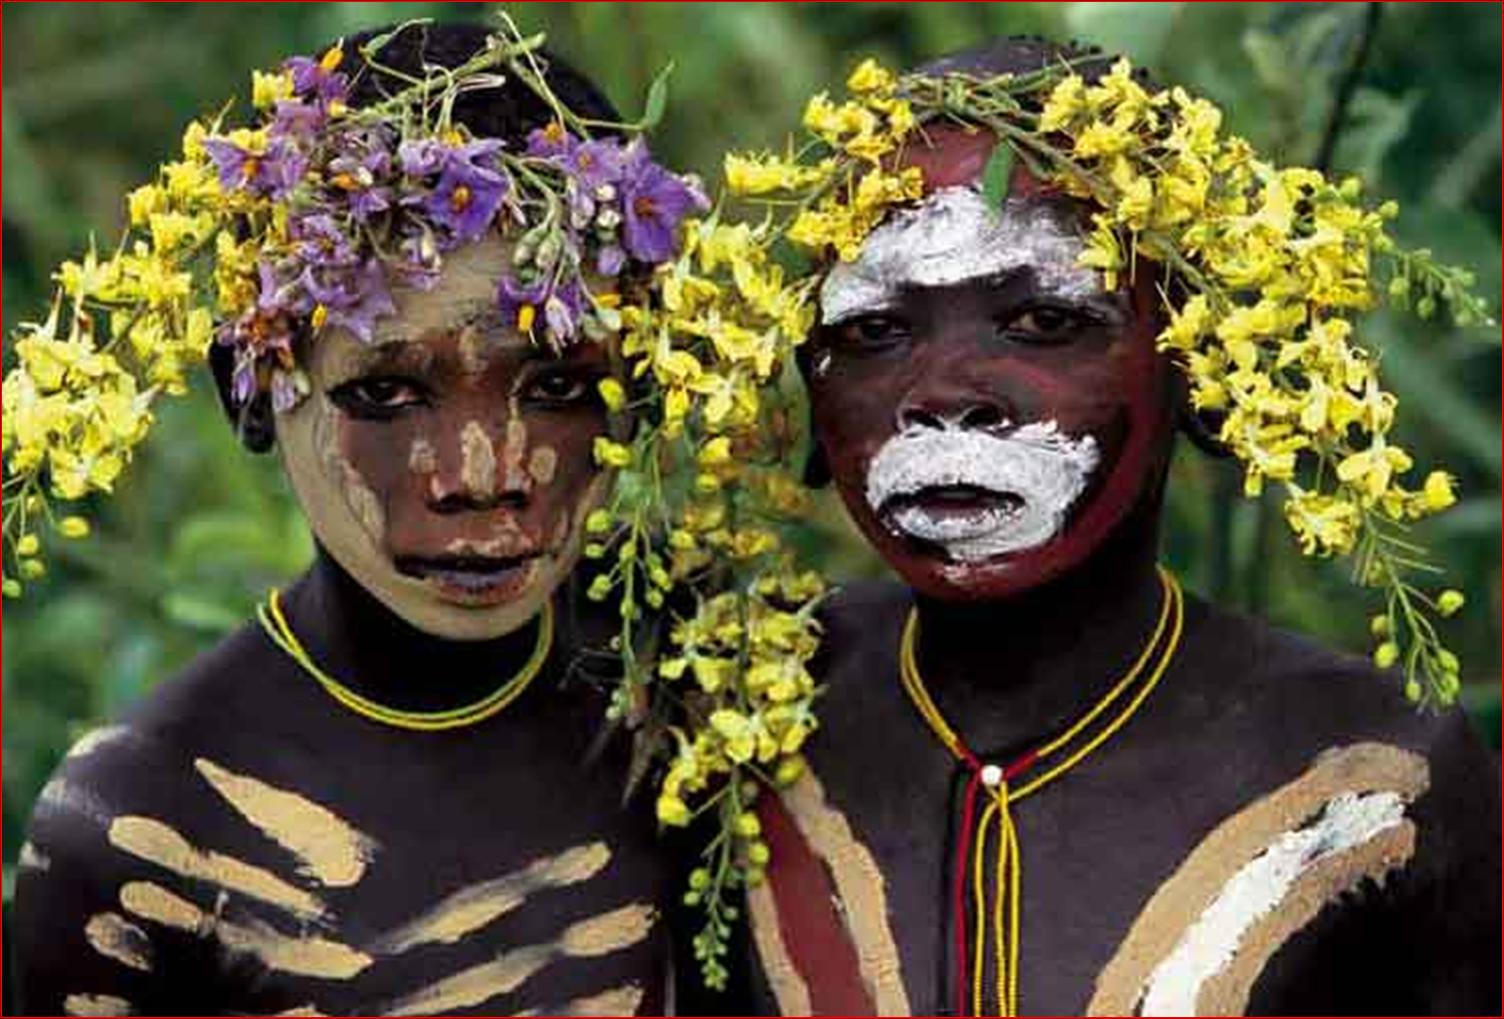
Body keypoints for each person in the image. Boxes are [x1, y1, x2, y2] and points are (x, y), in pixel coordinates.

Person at [732, 39, 1501, 1016]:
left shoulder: (1369, 777)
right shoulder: (743, 715)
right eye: (876, 329)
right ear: (804, 385)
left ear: (1204, 367)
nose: (945, 396)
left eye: (1044, 321)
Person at [11, 21, 706, 1016]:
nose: (481, 474)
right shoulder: (144, 825)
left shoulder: (696, 687)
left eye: (556, 382)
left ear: (643, 388)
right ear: (252, 387)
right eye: (385, 395)